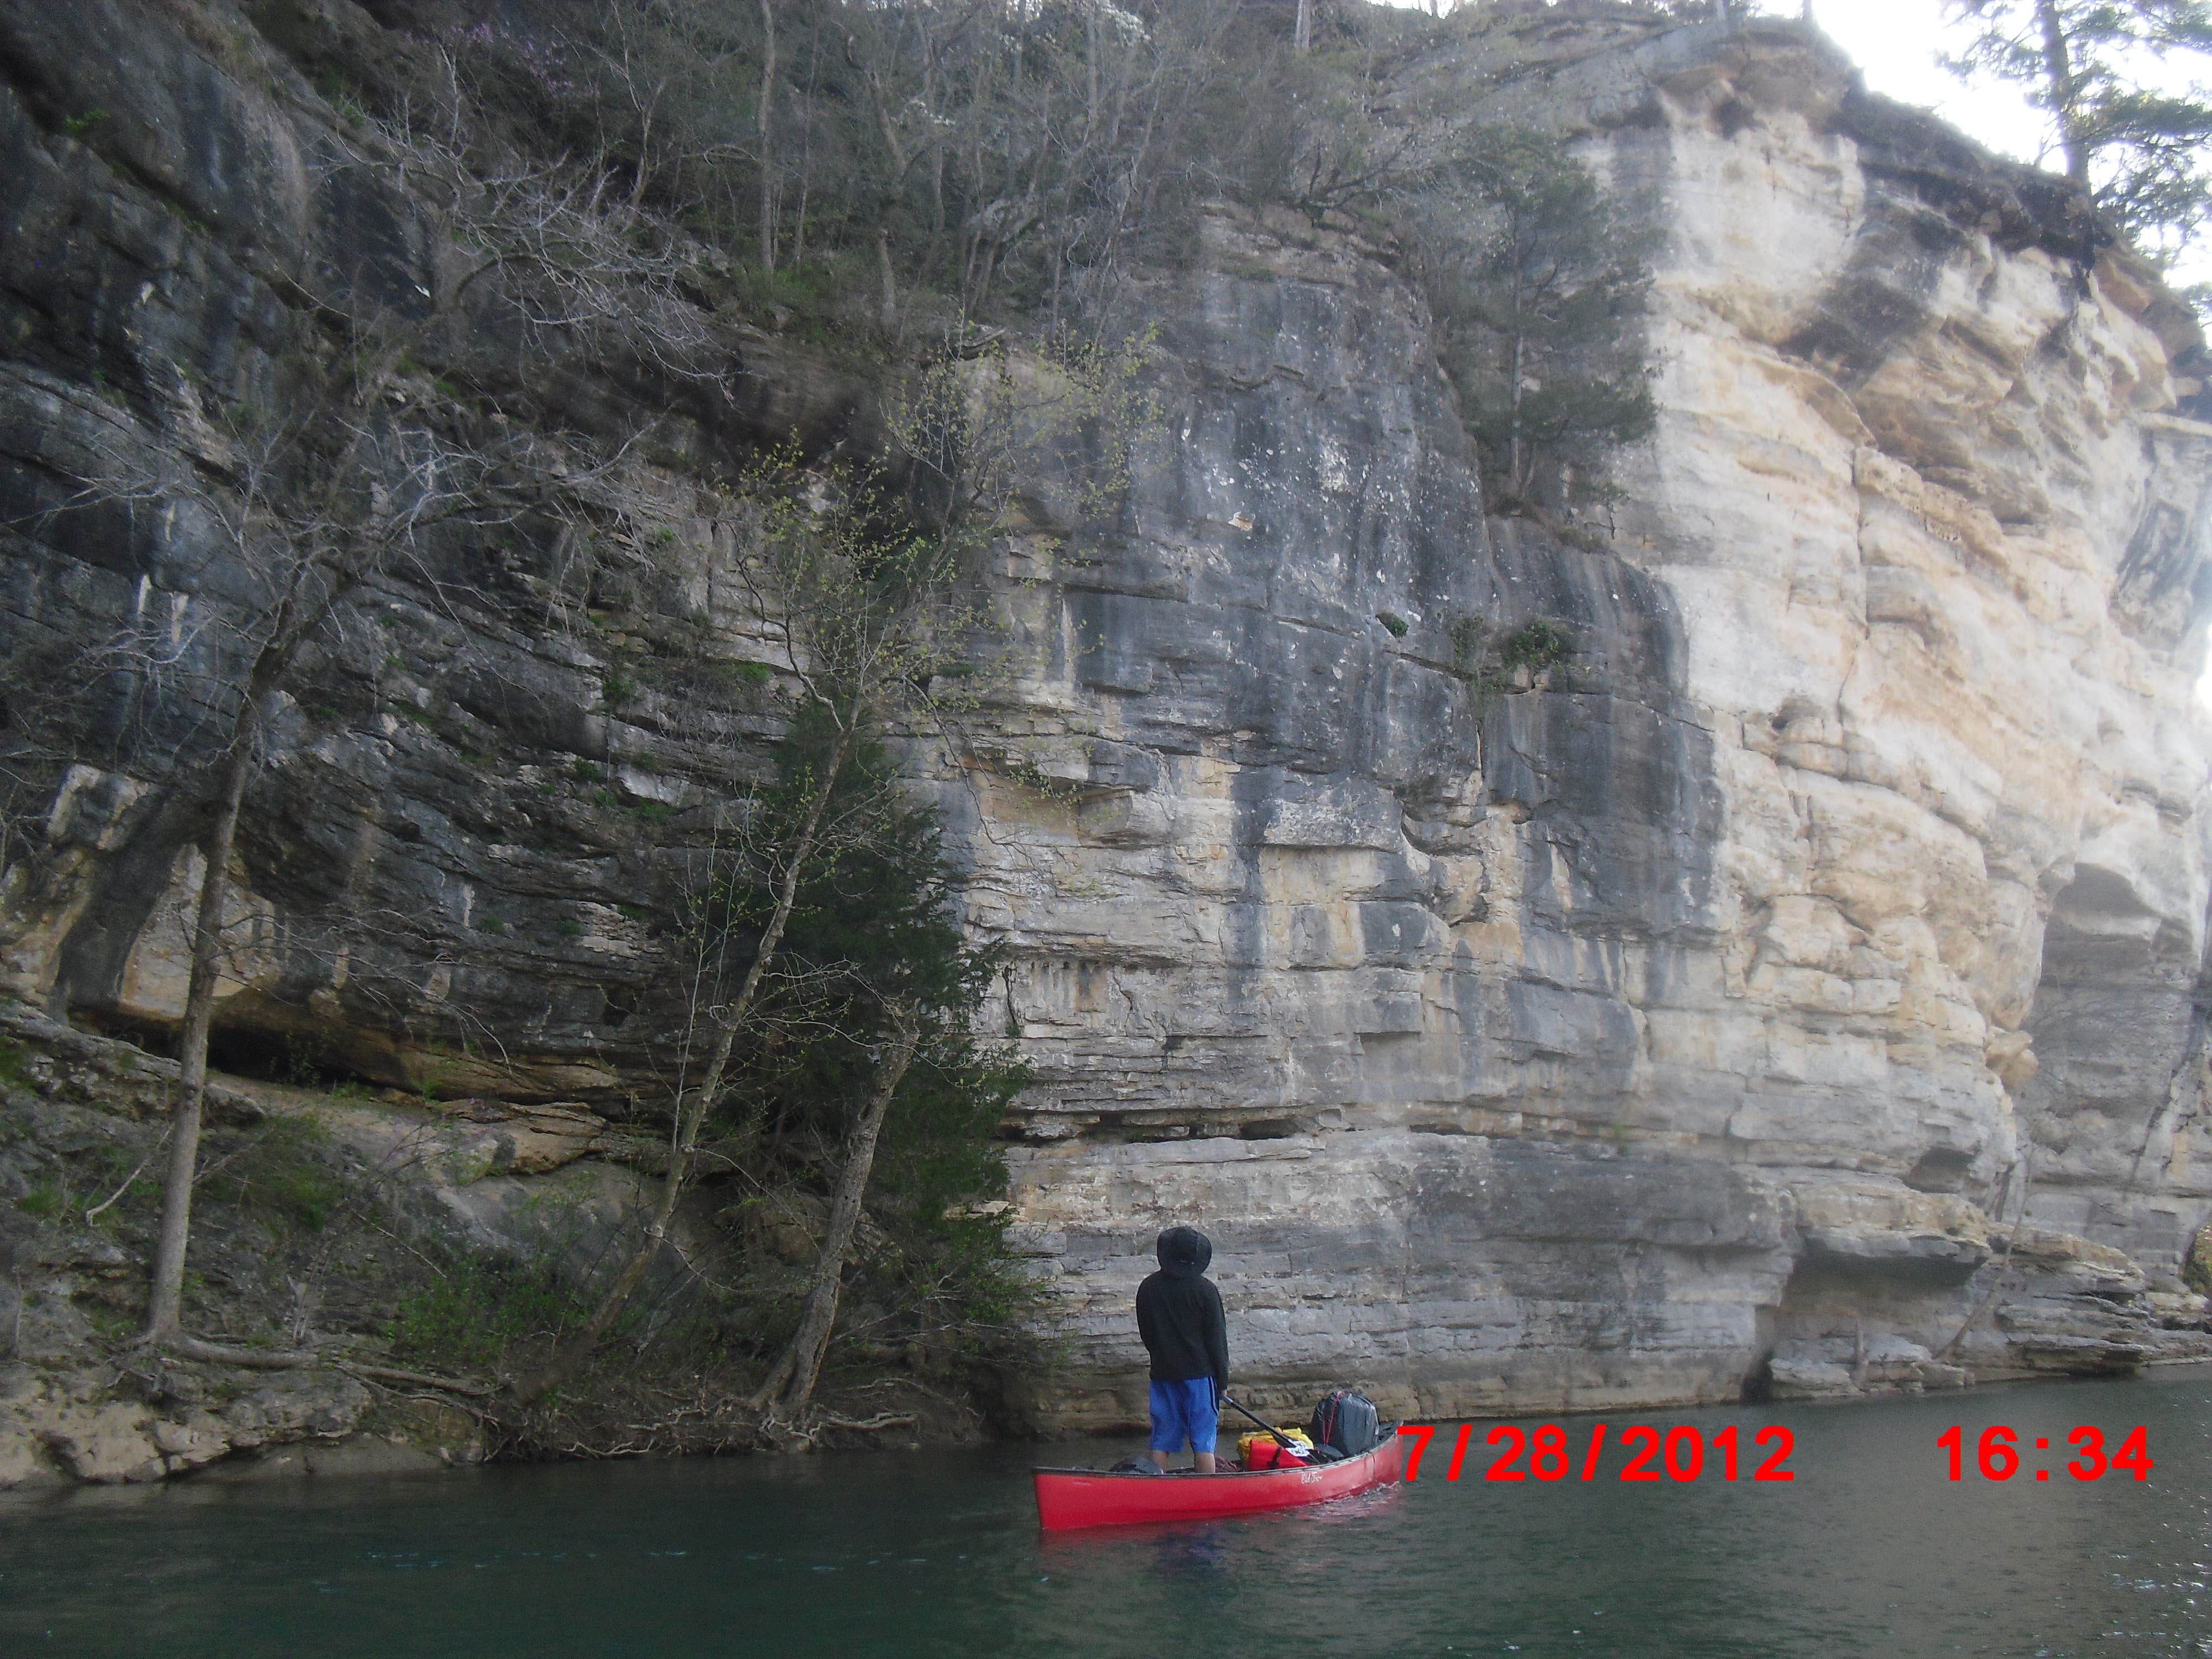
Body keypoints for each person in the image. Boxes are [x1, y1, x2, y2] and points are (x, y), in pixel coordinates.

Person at [1135, 1225, 1228, 1473]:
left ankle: (1155, 1491)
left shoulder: (1148, 1288)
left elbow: (1147, 1333)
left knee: (1162, 1438)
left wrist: (1161, 1355)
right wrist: (1222, 1380)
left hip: (1163, 1373)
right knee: (1203, 1441)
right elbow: (1217, 1340)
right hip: (1200, 1375)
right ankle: (1207, 1494)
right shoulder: (1206, 1291)